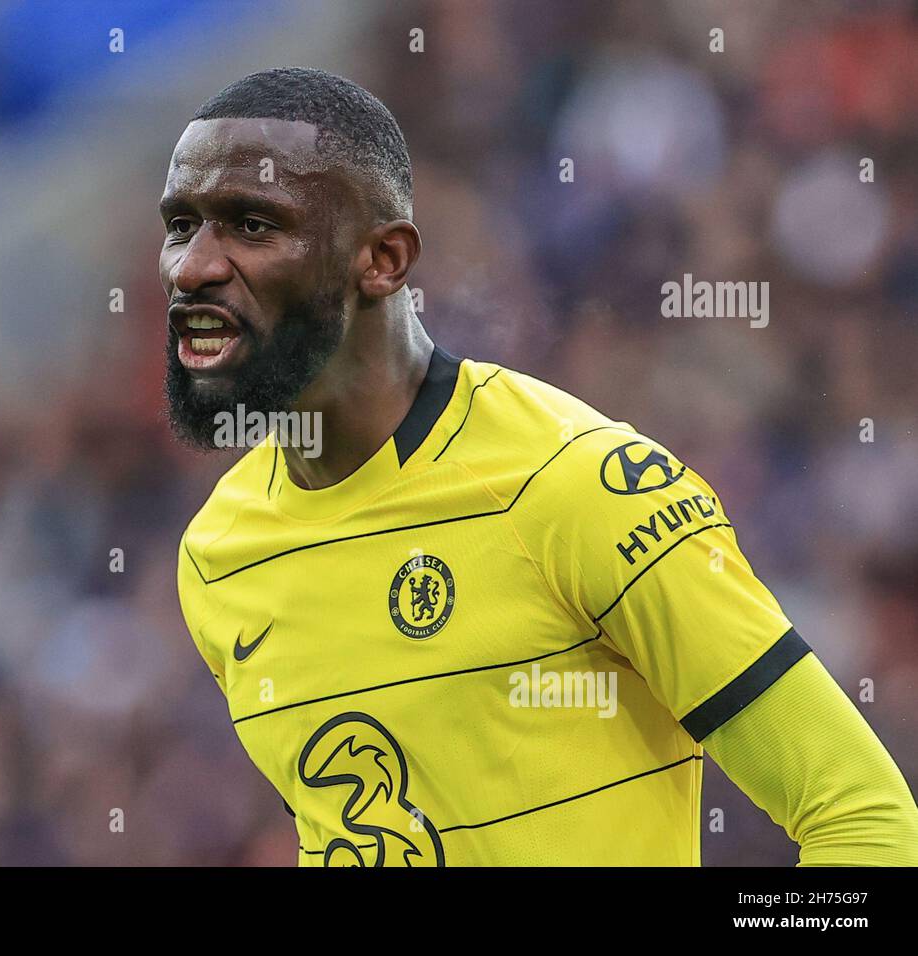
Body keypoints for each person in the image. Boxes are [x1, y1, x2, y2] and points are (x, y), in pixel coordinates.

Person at [162, 67, 918, 866]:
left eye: (251, 226)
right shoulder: (218, 559)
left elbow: (866, 823)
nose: (192, 268)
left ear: (382, 259)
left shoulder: (576, 483)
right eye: (182, 225)